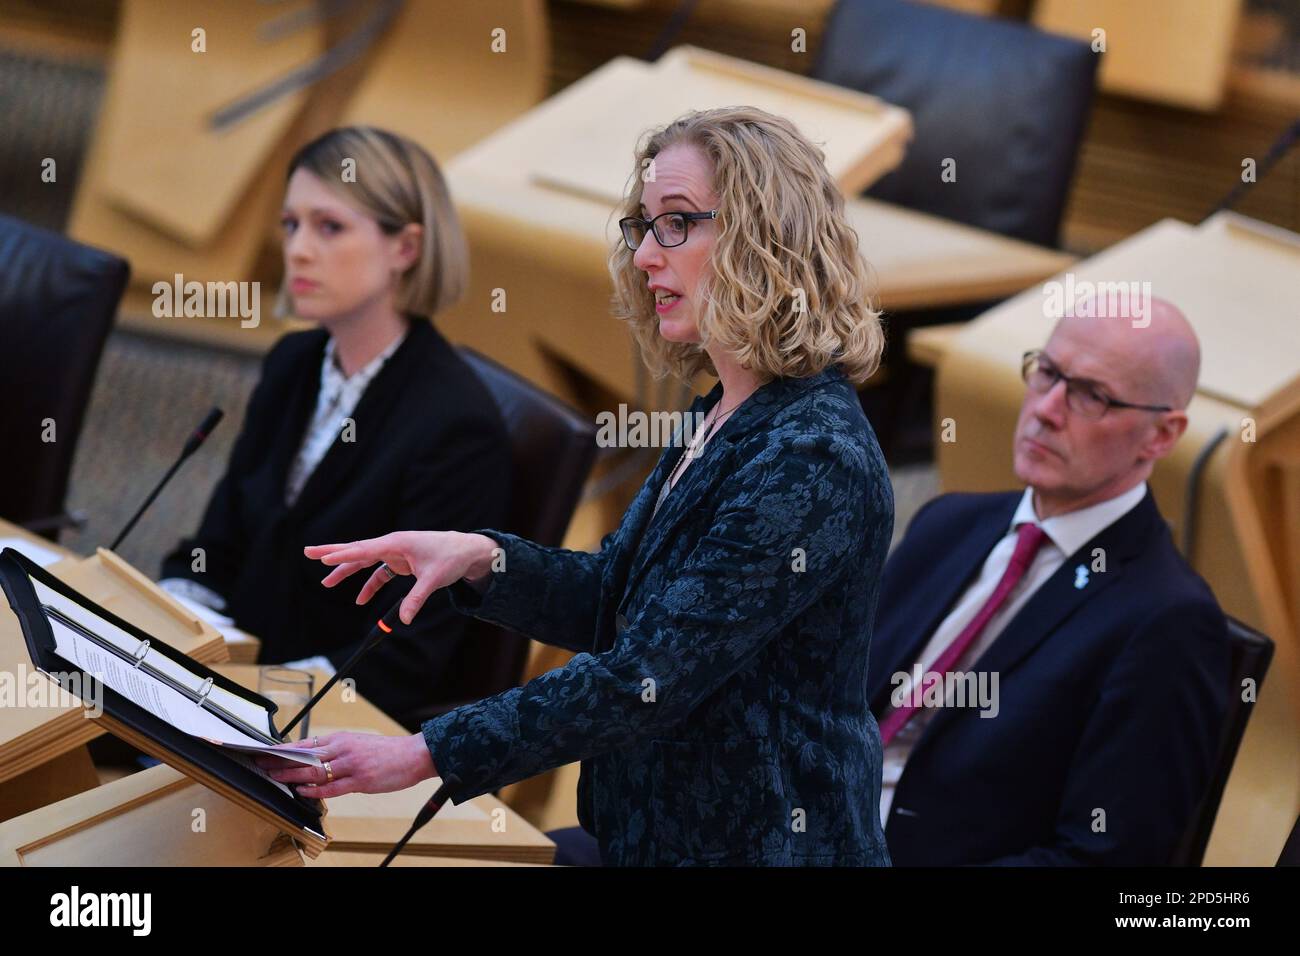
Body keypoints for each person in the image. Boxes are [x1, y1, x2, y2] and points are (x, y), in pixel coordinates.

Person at [257, 106, 895, 866]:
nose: (645, 258)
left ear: (765, 236)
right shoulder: (725, 411)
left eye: (678, 224)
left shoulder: (812, 455)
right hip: (647, 840)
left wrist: (423, 753)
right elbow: (613, 601)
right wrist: (479, 560)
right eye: (643, 227)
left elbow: (645, 676)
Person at [160, 127, 510, 722]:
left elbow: (406, 654)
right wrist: (161, 623)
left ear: (405, 248)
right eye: (290, 225)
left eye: (330, 227)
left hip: (326, 729)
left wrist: (249, 694)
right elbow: (219, 547)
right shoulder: (293, 363)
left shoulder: (456, 424)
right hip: (221, 688)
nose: (297, 250)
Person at [867, 296, 1230, 865]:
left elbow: (1105, 859)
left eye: (1092, 396)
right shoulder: (949, 523)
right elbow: (832, 703)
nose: (1046, 409)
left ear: (1161, 435)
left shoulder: (1170, 621)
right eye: (1048, 373)